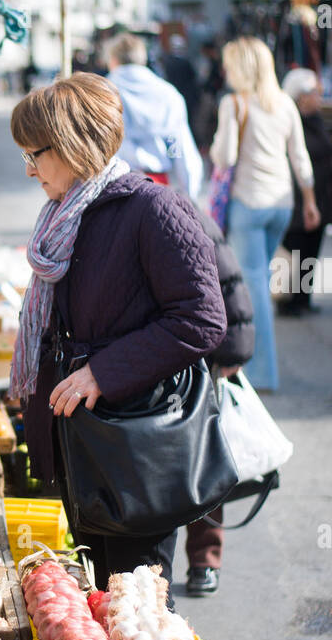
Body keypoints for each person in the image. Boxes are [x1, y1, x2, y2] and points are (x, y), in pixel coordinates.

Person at [9, 74, 227, 592]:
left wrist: (101, 372)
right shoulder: (63, 215)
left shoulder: (153, 209)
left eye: (35, 154)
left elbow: (201, 318)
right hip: (82, 444)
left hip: (134, 445)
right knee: (104, 599)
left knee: (138, 606)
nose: (30, 169)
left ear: (72, 146)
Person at [209, 37, 319, 391]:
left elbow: (224, 157)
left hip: (249, 204)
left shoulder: (234, 103)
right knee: (258, 282)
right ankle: (258, 371)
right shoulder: (284, 104)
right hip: (282, 204)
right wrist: (310, 200)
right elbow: (300, 158)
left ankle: (260, 374)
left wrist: (213, 144)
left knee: (253, 287)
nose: (225, 71)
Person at [184, 214, 256, 596]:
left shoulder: (184, 209)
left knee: (203, 463)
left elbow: (229, 280)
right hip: (137, 364)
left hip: (198, 362)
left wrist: (234, 351)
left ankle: (204, 560)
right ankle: (144, 571)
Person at [105, 33, 203, 197]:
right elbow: (177, 144)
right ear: (142, 59)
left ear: (113, 60)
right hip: (158, 185)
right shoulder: (168, 93)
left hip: (115, 186)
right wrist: (189, 192)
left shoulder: (103, 92)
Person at [277, 69, 332, 315]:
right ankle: (289, 299)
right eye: (314, 93)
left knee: (312, 248)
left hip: (320, 196)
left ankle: (304, 298)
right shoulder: (290, 121)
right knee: (296, 249)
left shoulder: (316, 121)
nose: (319, 98)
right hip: (298, 197)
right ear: (300, 97)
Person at [161, 33, 201, 131]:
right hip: (185, 96)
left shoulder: (168, 62)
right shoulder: (185, 62)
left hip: (173, 95)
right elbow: (194, 79)